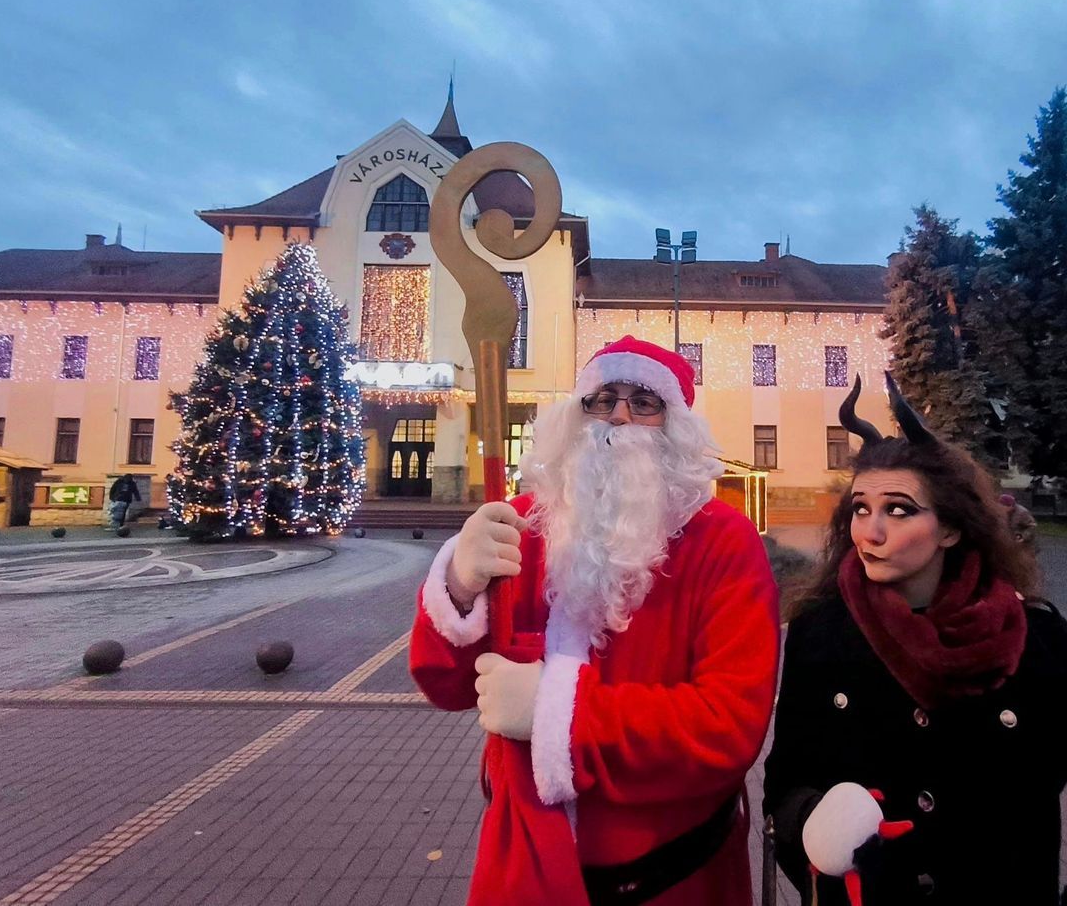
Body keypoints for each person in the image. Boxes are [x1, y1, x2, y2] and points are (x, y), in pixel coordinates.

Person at [410, 336, 780, 906]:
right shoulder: (524, 524)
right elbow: (447, 684)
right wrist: (458, 585)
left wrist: (559, 713)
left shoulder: (723, 541)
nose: (619, 417)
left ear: (676, 427)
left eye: (644, 402)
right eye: (602, 399)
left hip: (673, 878)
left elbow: (728, 727)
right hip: (525, 865)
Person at [763, 374, 1067, 905]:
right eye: (861, 509)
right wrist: (815, 820)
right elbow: (786, 781)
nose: (870, 532)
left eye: (898, 510)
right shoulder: (822, 633)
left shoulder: (1032, 635)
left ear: (950, 529)